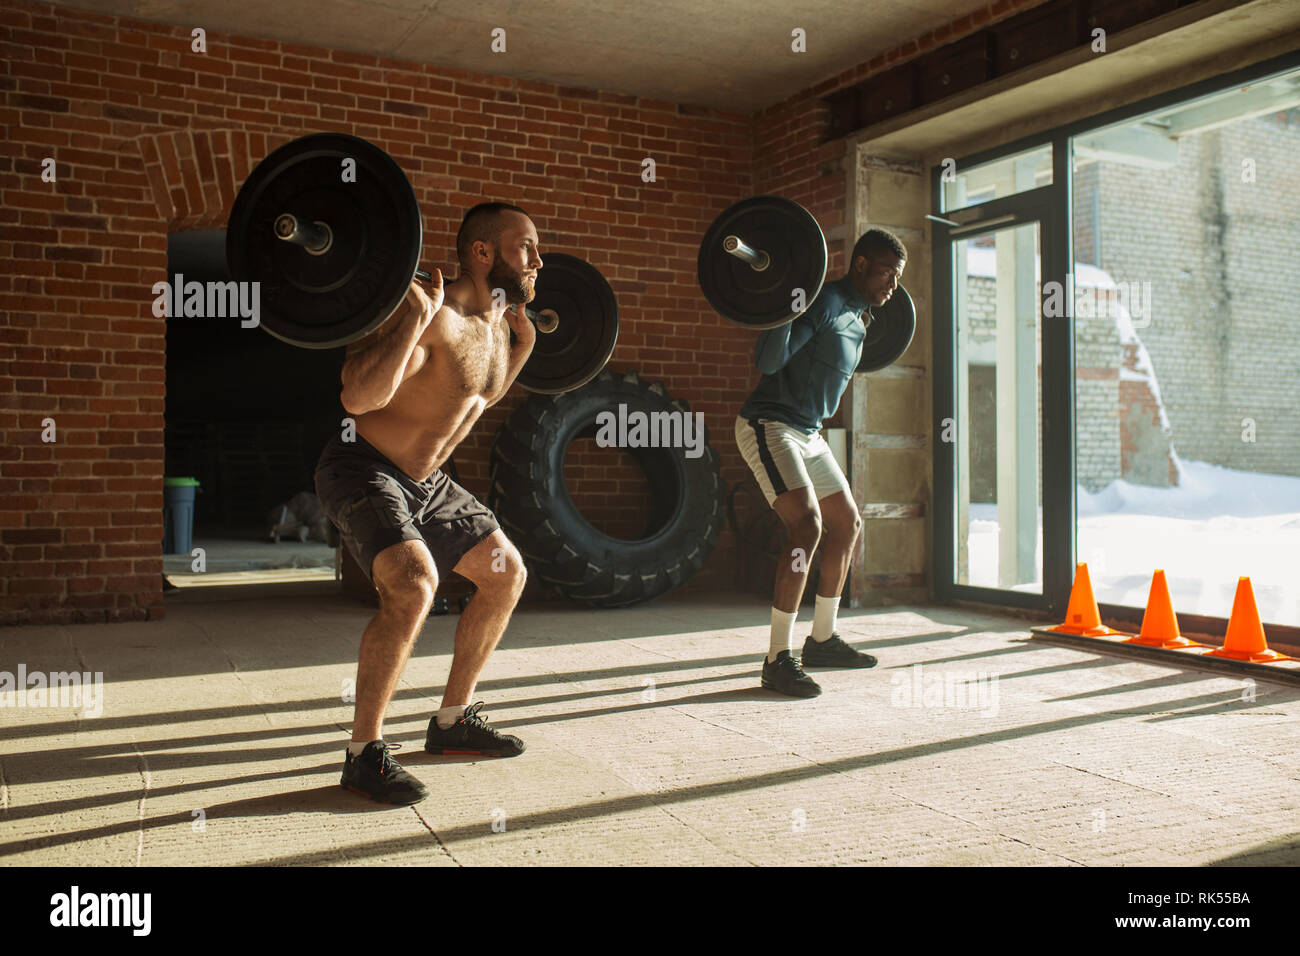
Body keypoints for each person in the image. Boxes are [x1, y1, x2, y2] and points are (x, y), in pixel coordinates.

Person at [314, 202, 541, 804]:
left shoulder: (499, 324)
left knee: (505, 574)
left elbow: (472, 400)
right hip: (363, 467)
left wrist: (522, 348)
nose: (538, 260)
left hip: (430, 480)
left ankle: (451, 722)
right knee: (415, 585)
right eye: (525, 247)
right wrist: (412, 320)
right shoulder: (436, 316)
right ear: (482, 253)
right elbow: (359, 399)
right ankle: (364, 753)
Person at [734, 228, 907, 698]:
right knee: (807, 526)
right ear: (861, 264)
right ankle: (776, 658)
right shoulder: (824, 302)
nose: (894, 282)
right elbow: (770, 362)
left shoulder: (859, 316)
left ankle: (824, 639)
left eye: (899, 274)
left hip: (808, 432)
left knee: (847, 523)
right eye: (888, 271)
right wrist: (785, 306)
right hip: (769, 425)